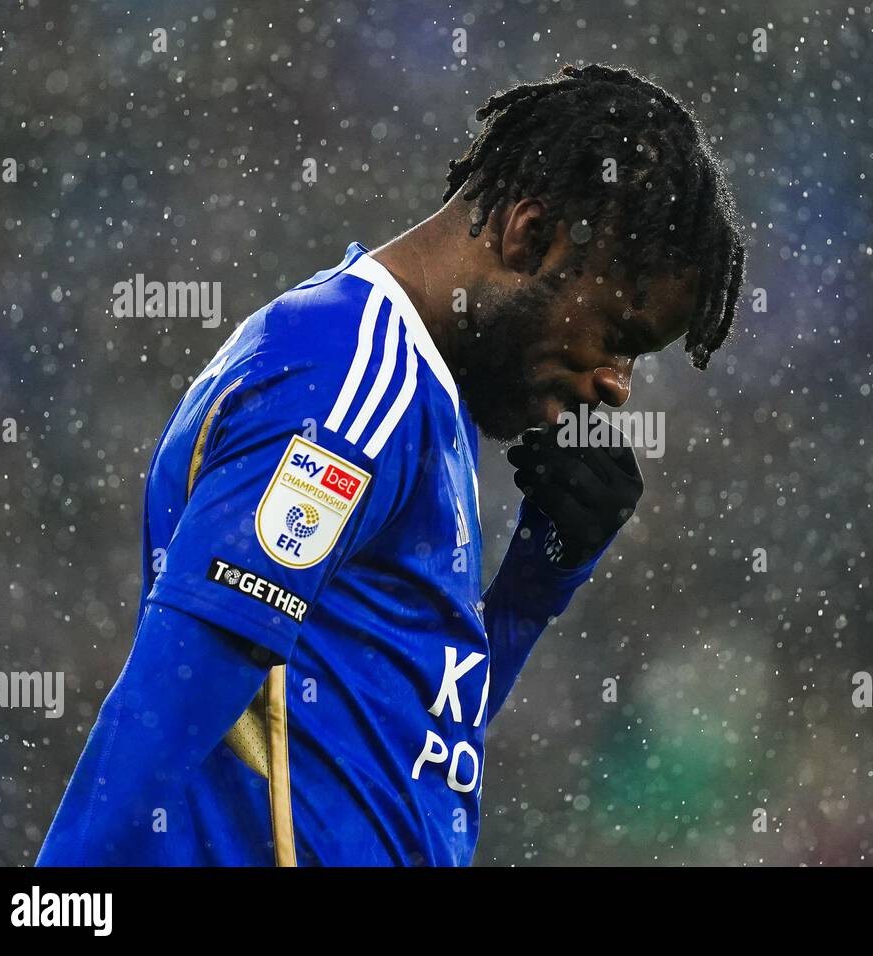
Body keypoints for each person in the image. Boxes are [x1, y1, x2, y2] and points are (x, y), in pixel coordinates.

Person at [38, 63, 746, 866]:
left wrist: (531, 590)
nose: (617, 387)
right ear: (530, 234)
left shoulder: (419, 404)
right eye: (618, 336)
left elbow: (421, 758)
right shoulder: (347, 378)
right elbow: (167, 704)